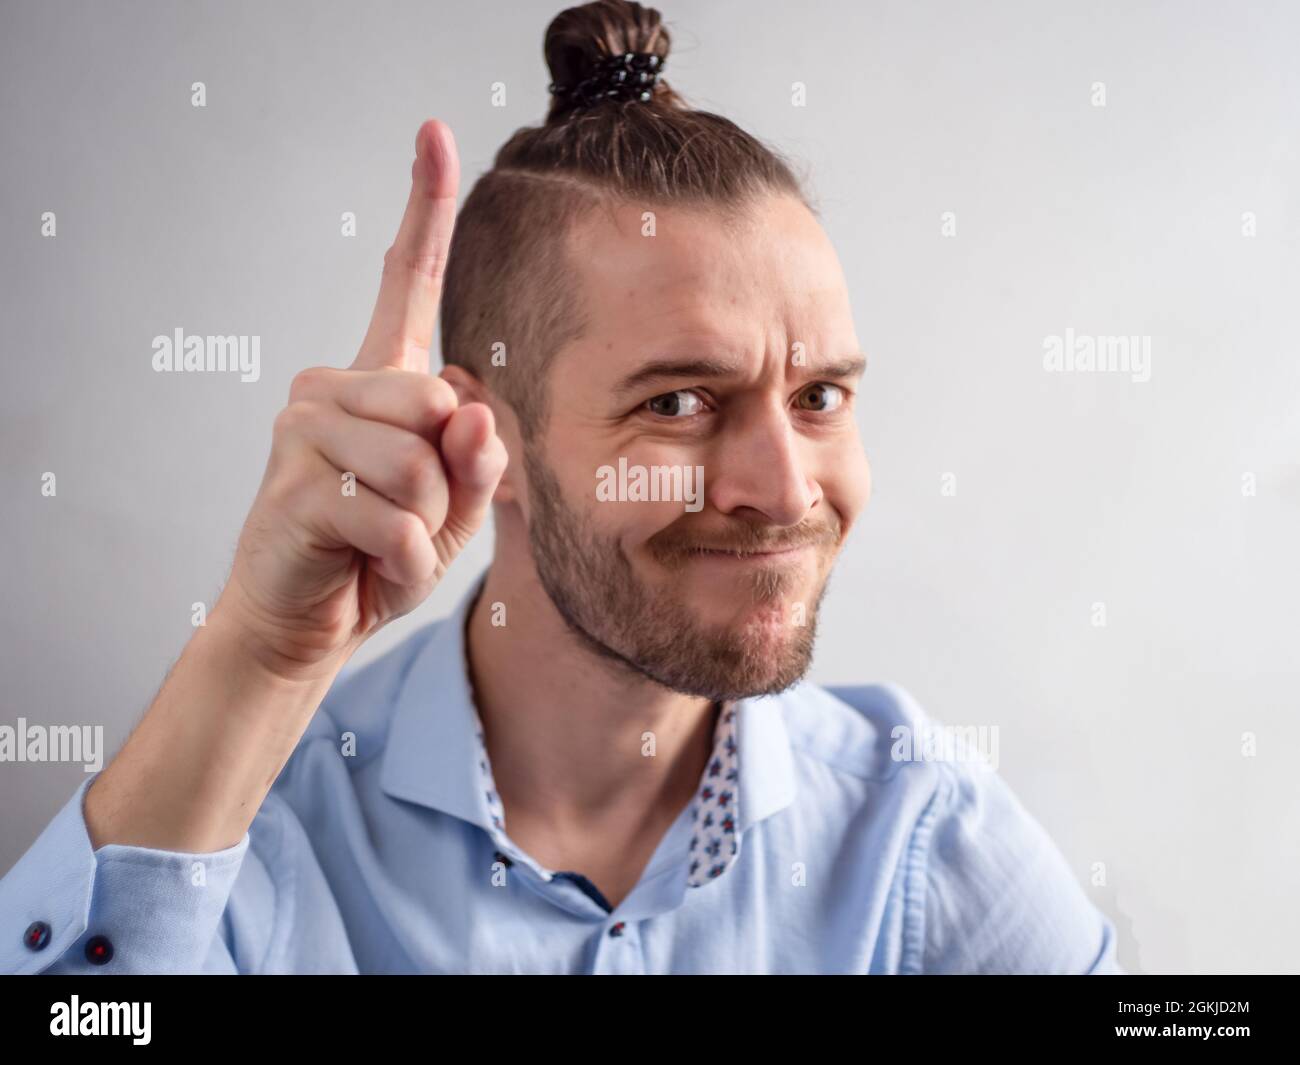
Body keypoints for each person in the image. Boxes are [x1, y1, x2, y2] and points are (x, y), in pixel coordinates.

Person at [0, 0, 1121, 974]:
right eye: (678, 402)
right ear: (486, 435)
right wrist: (258, 653)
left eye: (819, 396)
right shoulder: (257, 831)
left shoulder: (914, 830)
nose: (784, 490)